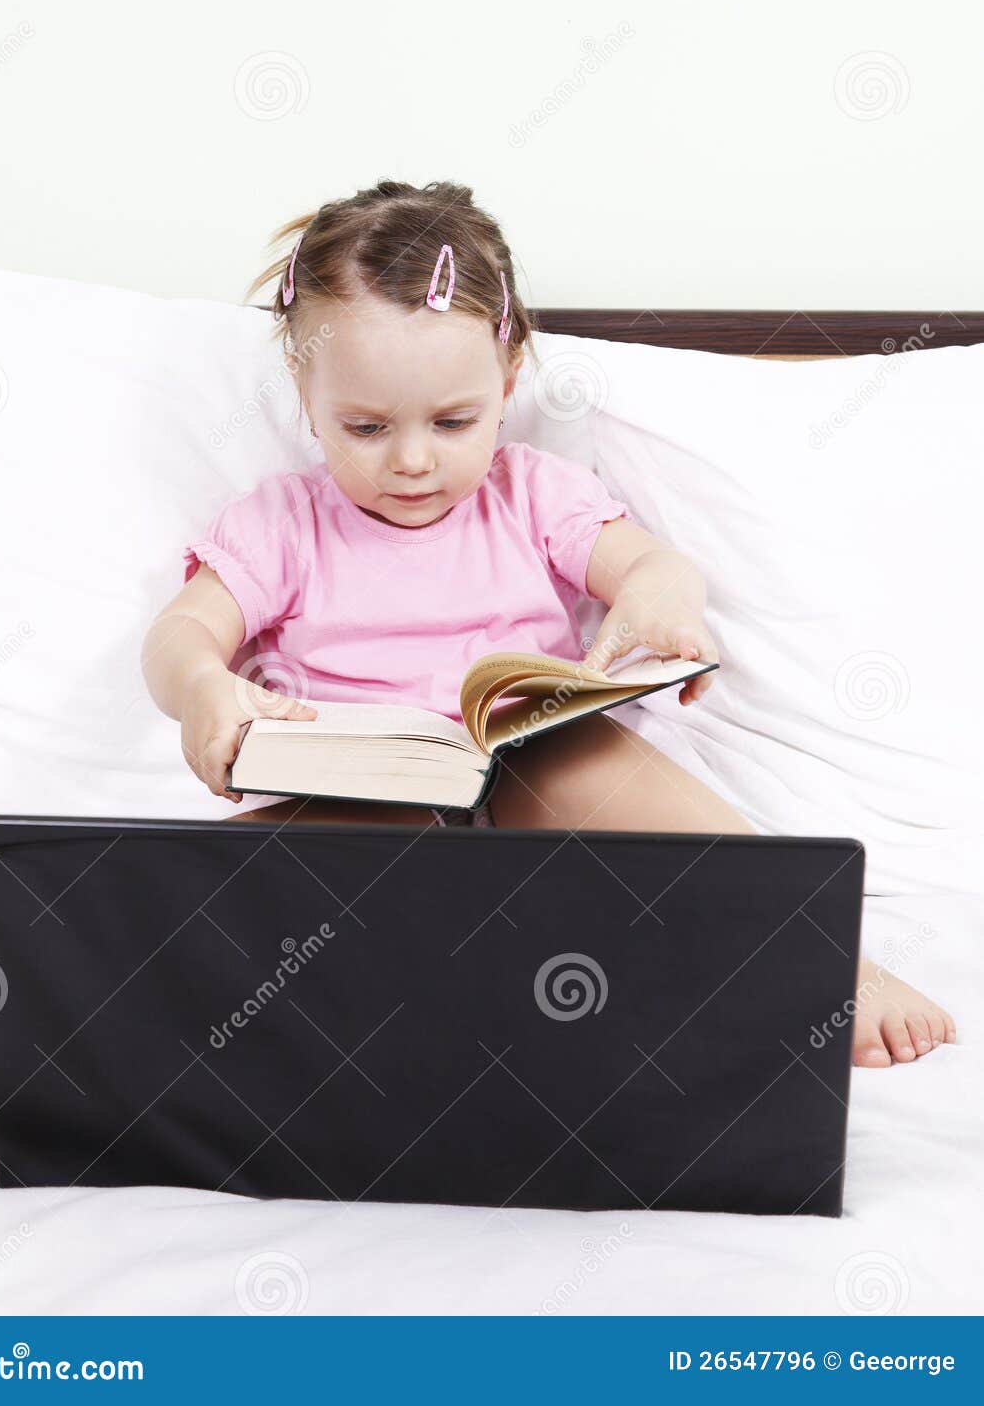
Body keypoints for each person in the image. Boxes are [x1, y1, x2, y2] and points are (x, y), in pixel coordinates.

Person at [139, 177, 955, 1070]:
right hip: (364, 806)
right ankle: (96, 969)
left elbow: (648, 563)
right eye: (365, 427)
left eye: (454, 421)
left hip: (530, 796)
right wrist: (204, 689)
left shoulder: (531, 494)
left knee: (582, 759)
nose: (412, 460)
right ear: (304, 388)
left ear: (508, 377)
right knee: (255, 863)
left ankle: (827, 959)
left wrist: (661, 598)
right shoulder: (282, 523)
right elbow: (180, 634)